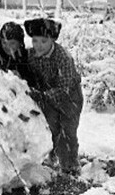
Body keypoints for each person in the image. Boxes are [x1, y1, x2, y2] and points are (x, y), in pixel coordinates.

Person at [25, 17, 83, 175]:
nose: (38, 45)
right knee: (50, 127)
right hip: (46, 95)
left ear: (52, 40)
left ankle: (70, 168)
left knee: (67, 132)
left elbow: (64, 88)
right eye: (35, 41)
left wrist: (42, 95)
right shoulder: (31, 55)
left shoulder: (63, 58)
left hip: (69, 98)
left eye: (43, 41)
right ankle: (52, 159)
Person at [0, 22, 38, 88]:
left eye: (12, 43)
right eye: (4, 42)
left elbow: (37, 83)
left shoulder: (28, 59)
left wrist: (22, 79)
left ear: (20, 43)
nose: (7, 46)